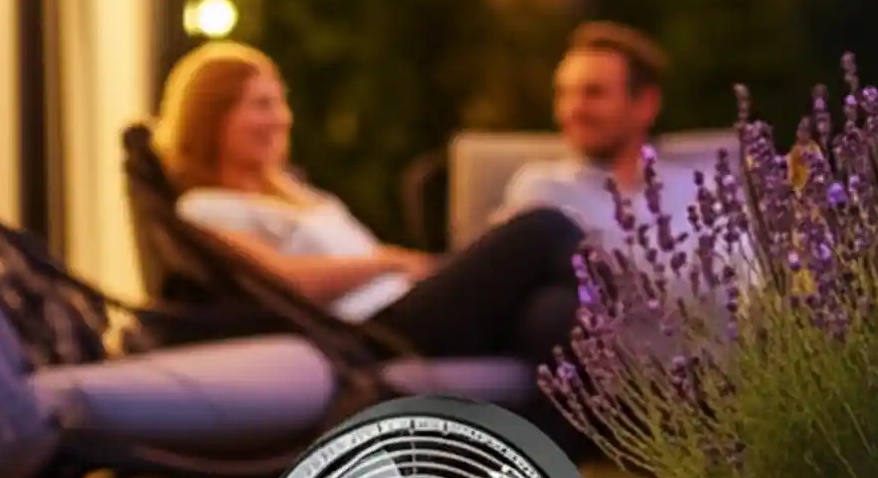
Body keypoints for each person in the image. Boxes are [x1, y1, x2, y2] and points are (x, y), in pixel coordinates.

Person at [152, 41, 584, 365]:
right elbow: (285, 283)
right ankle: (638, 312)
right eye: (261, 105)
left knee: (551, 313)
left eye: (280, 102)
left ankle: (575, 457)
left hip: (404, 299)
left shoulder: (295, 193)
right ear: (214, 119)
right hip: (371, 330)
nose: (281, 118)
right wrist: (389, 261)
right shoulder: (206, 208)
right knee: (542, 227)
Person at [494, 21, 697, 249]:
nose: (573, 110)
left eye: (594, 93)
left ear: (646, 104)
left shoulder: (693, 195)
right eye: (564, 94)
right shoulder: (541, 189)